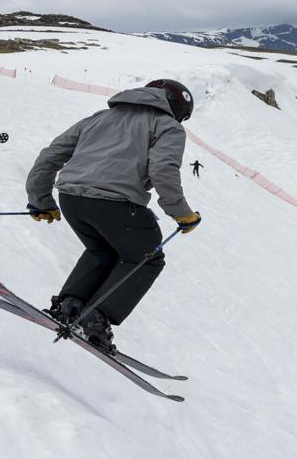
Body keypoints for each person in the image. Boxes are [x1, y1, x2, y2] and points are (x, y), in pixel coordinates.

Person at [25, 79, 201, 353]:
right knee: (147, 258)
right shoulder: (167, 126)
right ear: (177, 106)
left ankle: (70, 305)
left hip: (72, 200)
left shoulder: (98, 118)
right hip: (116, 204)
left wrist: (40, 200)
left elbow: (52, 155)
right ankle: (96, 319)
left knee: (102, 251)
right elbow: (163, 170)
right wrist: (182, 214)